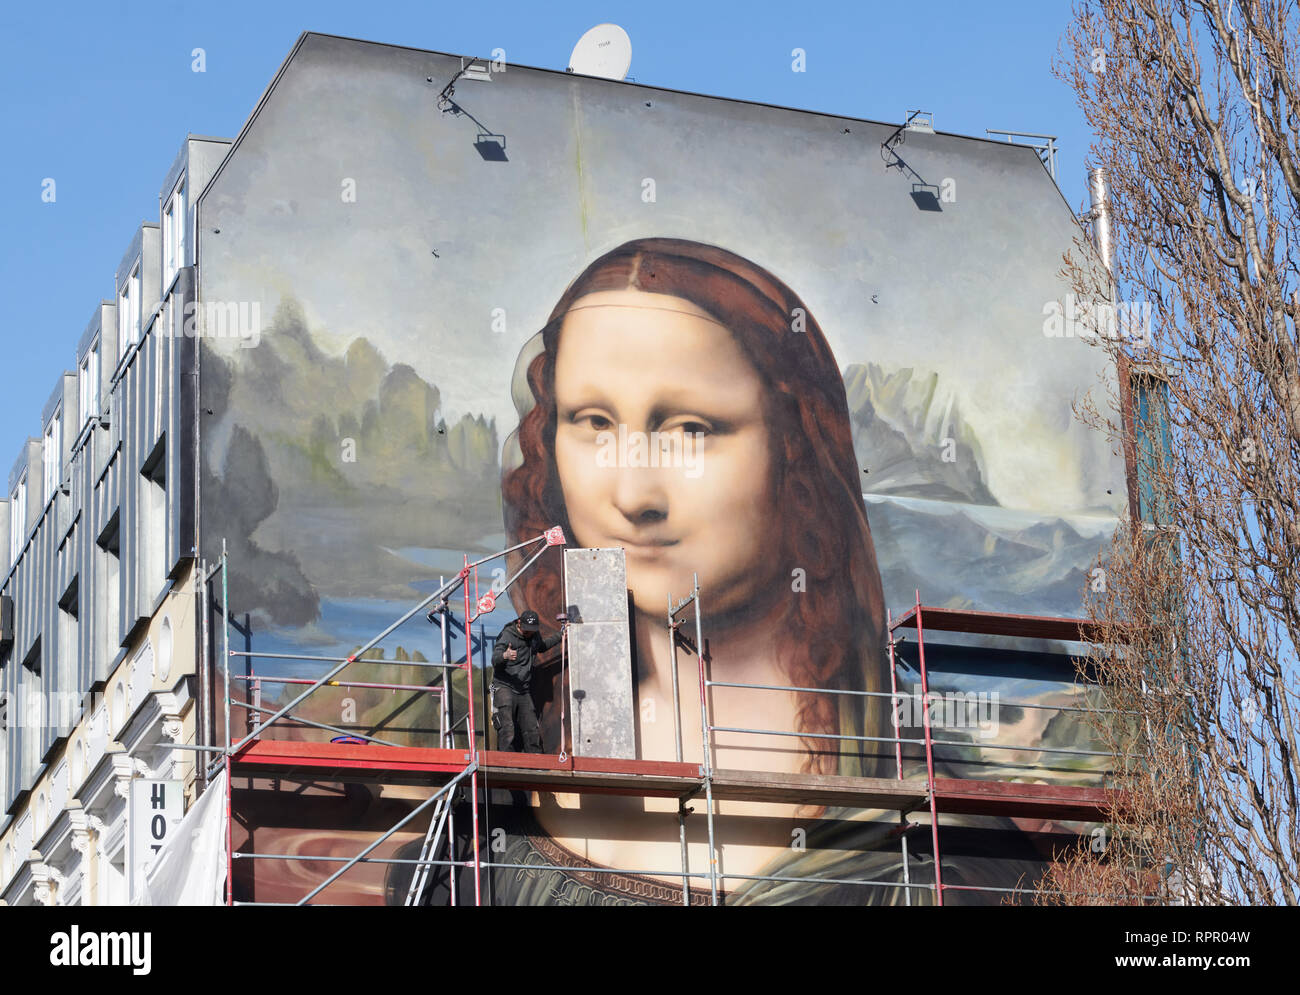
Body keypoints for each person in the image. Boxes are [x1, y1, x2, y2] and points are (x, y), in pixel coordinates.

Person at [490, 610, 562, 753]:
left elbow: (542, 646)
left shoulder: (534, 635)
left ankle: (535, 760)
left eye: (532, 631)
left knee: (531, 728)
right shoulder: (507, 635)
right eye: (527, 630)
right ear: (519, 623)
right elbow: (495, 659)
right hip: (504, 685)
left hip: (523, 689)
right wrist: (505, 655)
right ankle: (506, 760)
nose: (529, 633)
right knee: (507, 727)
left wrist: (561, 635)